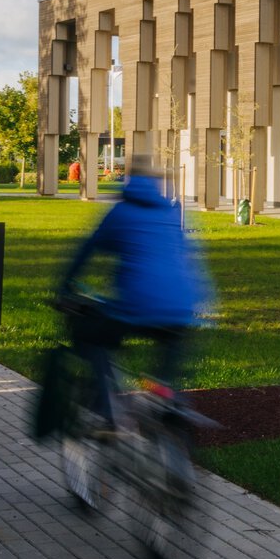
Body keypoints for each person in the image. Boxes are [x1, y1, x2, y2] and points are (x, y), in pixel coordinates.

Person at [56, 155, 214, 429]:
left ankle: (109, 411)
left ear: (128, 179)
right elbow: (190, 258)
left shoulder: (120, 213)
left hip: (136, 305)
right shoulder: (172, 213)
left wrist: (64, 288)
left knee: (90, 337)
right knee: (169, 359)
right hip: (183, 308)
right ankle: (168, 399)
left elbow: (85, 252)